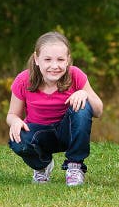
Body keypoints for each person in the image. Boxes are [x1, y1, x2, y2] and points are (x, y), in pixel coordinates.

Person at [7, 31, 104, 186]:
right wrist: (15, 121)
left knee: (83, 104)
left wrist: (84, 93)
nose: (54, 66)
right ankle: (42, 165)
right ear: (36, 59)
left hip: (68, 132)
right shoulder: (23, 80)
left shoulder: (76, 75)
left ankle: (75, 167)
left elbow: (98, 111)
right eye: (47, 60)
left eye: (60, 59)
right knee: (16, 140)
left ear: (68, 60)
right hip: (40, 135)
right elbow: (12, 114)